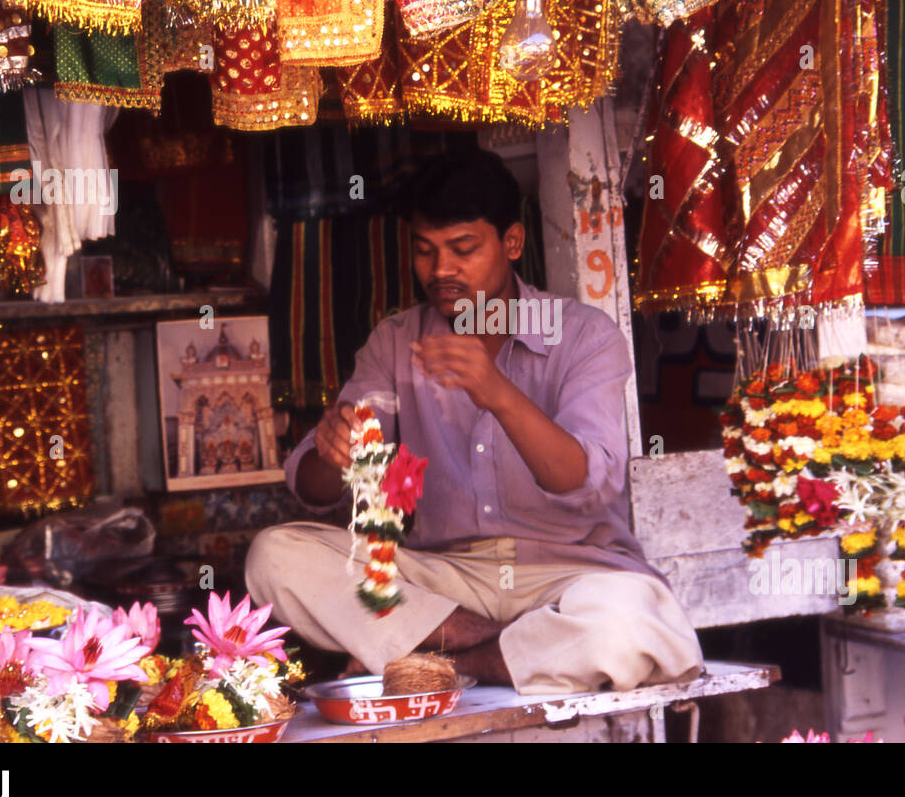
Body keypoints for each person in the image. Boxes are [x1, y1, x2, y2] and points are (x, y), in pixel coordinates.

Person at [245, 149, 704, 694]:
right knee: (273, 557)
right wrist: (331, 452)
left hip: (569, 575)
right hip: (445, 583)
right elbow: (317, 491)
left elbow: (583, 482)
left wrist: (497, 393)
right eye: (425, 251)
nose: (441, 271)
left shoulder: (584, 336)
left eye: (463, 250)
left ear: (511, 243)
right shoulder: (396, 343)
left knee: (626, 621)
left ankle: (454, 660)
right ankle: (505, 641)